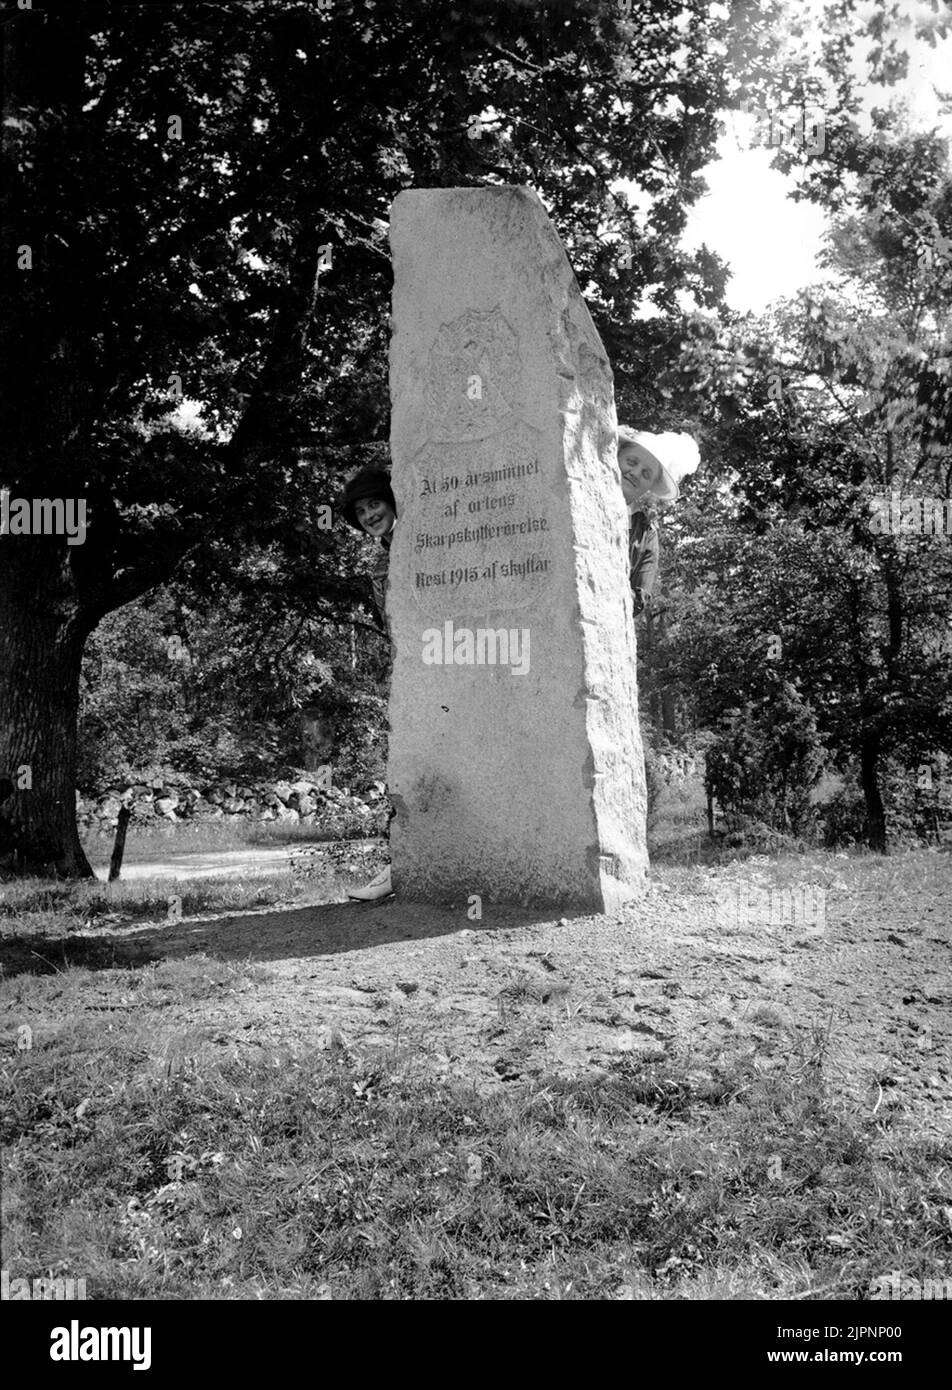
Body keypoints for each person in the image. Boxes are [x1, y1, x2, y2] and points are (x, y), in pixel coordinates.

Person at [338, 465, 398, 901]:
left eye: (374, 504)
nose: (369, 515)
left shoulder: (431, 536)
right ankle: (402, 865)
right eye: (361, 511)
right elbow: (388, 621)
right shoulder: (379, 559)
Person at [615, 427, 700, 611]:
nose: (635, 473)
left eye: (646, 474)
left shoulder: (647, 533)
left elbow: (640, 598)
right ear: (617, 456)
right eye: (631, 461)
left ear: (650, 486)